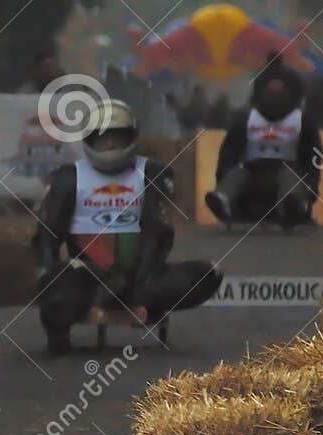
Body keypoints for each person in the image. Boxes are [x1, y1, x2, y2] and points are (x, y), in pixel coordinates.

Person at [32, 98, 222, 356]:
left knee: (209, 275)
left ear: (131, 139)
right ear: (89, 140)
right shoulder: (68, 177)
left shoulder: (153, 173)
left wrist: (137, 274)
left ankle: (134, 294)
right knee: (57, 297)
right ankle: (71, 320)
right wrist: (48, 275)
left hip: (142, 274)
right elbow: (46, 234)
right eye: (102, 138)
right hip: (88, 274)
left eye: (117, 138)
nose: (109, 144)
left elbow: (160, 232)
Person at [206, 66, 322, 229]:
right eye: (270, 91)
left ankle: (291, 206)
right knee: (238, 173)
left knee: (289, 178)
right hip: (252, 171)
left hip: (287, 171)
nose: (274, 96)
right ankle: (221, 198)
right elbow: (228, 154)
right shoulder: (245, 118)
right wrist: (222, 176)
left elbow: (313, 158)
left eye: (279, 92)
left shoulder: (302, 121)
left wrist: (310, 187)